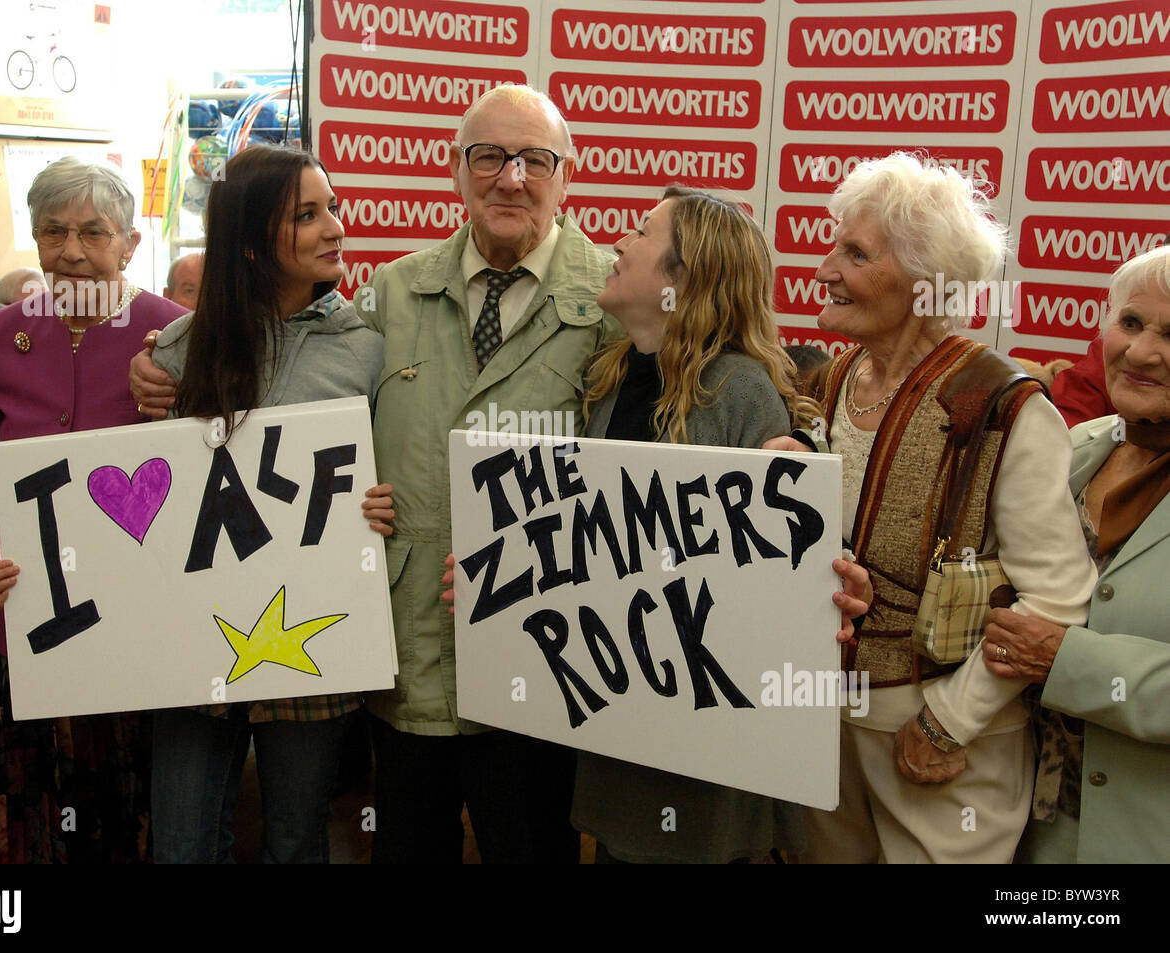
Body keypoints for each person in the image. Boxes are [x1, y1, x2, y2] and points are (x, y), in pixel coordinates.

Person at [131, 84, 620, 863]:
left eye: (535, 159)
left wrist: (784, 439)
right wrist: (163, 356)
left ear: (569, 173)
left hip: (540, 658)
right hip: (406, 662)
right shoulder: (393, 292)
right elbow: (271, 329)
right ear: (457, 171)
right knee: (403, 849)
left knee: (531, 847)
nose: (511, 178)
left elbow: (703, 389)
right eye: (489, 157)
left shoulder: (617, 301)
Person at [773, 152, 1097, 863]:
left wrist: (951, 720)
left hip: (941, 738)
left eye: (854, 252)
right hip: (824, 726)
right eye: (834, 243)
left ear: (926, 286)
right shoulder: (832, 381)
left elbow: (1059, 599)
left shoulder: (1005, 406)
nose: (824, 267)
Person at [567, 186, 871, 863]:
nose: (617, 243)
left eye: (641, 233)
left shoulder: (742, 391)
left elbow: (771, 581)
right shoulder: (612, 376)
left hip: (703, 739)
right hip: (624, 715)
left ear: (685, 275)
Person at [143, 145, 391, 864]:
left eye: (333, 208)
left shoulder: (368, 348)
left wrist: (381, 501)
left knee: (295, 836)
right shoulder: (183, 347)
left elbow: (389, 463)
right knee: (183, 842)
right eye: (306, 216)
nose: (335, 228)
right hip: (196, 638)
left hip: (310, 636)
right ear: (251, 243)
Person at [0, 156, 189, 863]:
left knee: (117, 800)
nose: (71, 251)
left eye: (93, 233)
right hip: (18, 609)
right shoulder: (1, 333)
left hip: (131, 617)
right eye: (53, 230)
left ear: (130, 244)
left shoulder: (178, 332)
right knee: (20, 800)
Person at [983, 245, 1170, 863]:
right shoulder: (1071, 448)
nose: (1141, 353)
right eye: (1131, 323)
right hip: (1023, 828)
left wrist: (1069, 660)